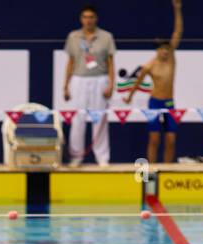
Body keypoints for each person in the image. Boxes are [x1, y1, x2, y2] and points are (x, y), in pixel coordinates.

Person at [123, 0, 182, 164]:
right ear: (157, 50)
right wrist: (129, 97)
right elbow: (137, 82)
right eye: (161, 49)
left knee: (171, 140)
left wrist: (177, 9)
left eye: (167, 49)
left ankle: (168, 169)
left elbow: (177, 32)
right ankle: (153, 169)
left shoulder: (171, 59)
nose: (164, 52)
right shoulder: (149, 66)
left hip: (169, 102)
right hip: (154, 103)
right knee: (154, 139)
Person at [62, 4, 117, 167]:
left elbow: (111, 63)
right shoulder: (73, 37)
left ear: (96, 19)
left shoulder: (106, 37)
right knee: (77, 119)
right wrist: (65, 86)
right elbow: (70, 62)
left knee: (99, 119)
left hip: (100, 79)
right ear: (81, 19)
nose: (88, 20)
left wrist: (111, 85)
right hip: (79, 79)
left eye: (91, 17)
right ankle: (76, 156)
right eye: (85, 17)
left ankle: (102, 157)